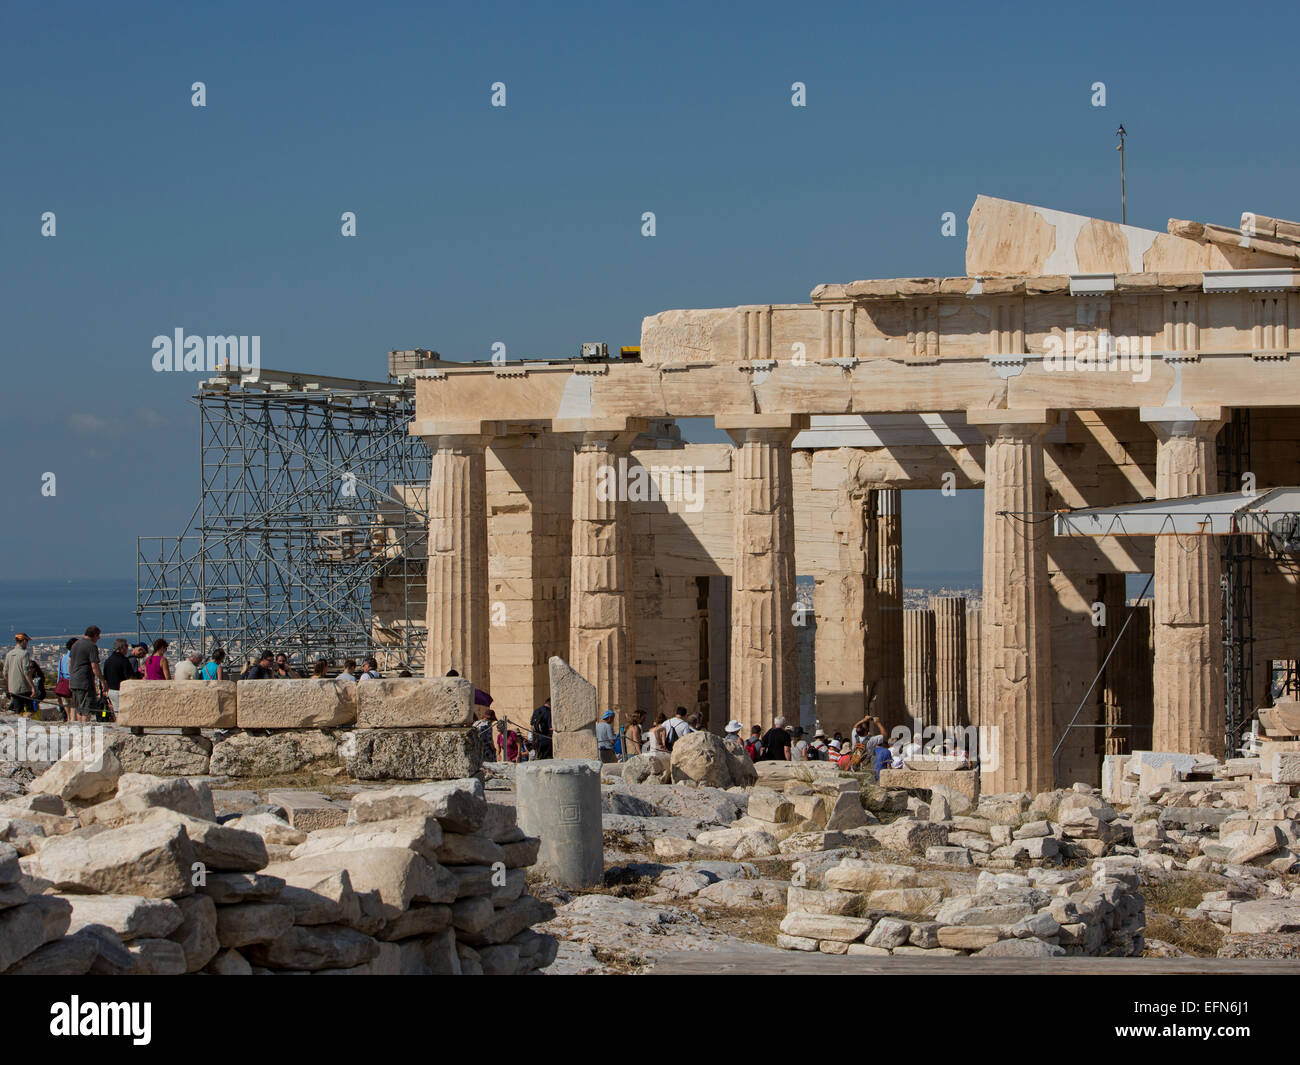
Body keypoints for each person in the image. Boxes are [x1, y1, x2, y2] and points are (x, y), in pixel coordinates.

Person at [68, 626, 110, 723]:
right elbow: (94, 666)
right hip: (85, 682)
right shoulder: (91, 646)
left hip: (74, 681)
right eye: (98, 636)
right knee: (87, 710)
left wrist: (72, 675)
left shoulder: (75, 644)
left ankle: (79, 730)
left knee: (79, 710)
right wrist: (102, 681)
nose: (98, 638)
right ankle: (85, 732)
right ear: (94, 635)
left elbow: (70, 662)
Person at [102, 638, 141, 716]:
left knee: (117, 714)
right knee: (124, 715)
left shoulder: (108, 660)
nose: (127, 648)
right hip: (121, 691)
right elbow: (129, 677)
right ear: (121, 647)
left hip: (111, 691)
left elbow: (105, 676)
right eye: (126, 646)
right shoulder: (124, 661)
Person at [5, 634, 37, 717]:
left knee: (18, 712)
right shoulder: (24, 654)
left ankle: (20, 727)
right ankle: (27, 727)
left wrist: (9, 686)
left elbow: (5, 673)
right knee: (30, 711)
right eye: (27, 642)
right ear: (24, 641)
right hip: (24, 687)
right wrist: (33, 687)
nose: (27, 644)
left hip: (13, 688)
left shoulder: (9, 654)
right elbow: (26, 672)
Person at [53, 637, 76, 719]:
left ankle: (69, 717)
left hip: (63, 682)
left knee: (66, 703)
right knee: (73, 703)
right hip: (73, 682)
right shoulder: (75, 658)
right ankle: (72, 719)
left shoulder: (62, 658)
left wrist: (58, 684)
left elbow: (60, 673)